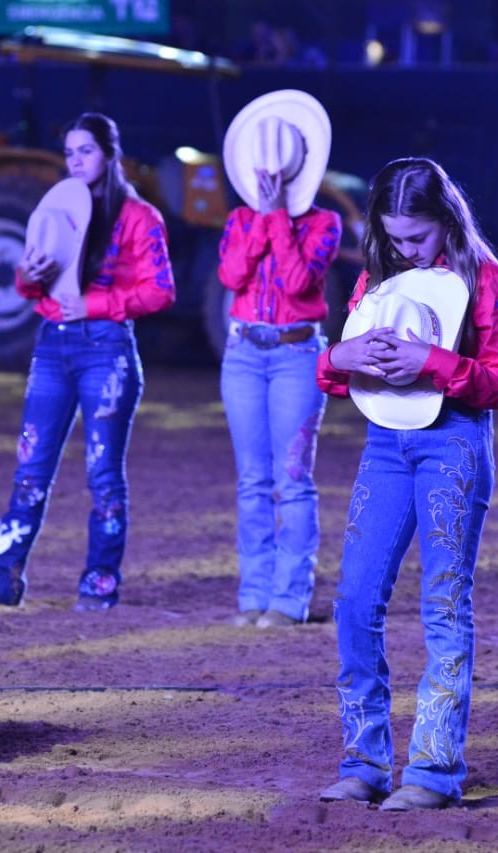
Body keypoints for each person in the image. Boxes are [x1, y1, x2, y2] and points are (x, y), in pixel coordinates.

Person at [316, 158, 498, 810]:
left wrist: (432, 362)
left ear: (447, 222)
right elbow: (341, 366)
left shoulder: (490, 280)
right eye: (397, 238)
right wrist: (340, 358)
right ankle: (365, 760)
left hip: (453, 442)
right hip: (385, 444)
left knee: (443, 601)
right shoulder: (378, 278)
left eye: (419, 237)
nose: (407, 249)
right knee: (354, 598)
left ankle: (433, 769)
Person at [0, 113, 176, 611]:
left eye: (85, 150)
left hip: (107, 349)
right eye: (69, 152)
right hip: (53, 344)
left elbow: (160, 291)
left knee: (103, 473)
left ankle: (99, 583)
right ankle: (1, 581)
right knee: (30, 468)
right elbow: (32, 284)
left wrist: (97, 305)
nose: (75, 160)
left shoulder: (138, 216)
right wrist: (28, 275)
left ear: (109, 153)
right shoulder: (57, 208)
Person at [217, 90, 341, 628]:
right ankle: (254, 595)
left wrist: (273, 219)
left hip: (295, 353)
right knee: (251, 479)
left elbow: (296, 280)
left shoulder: (324, 224)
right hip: (244, 351)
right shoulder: (238, 220)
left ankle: (289, 598)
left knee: (291, 477)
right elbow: (231, 278)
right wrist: (264, 218)